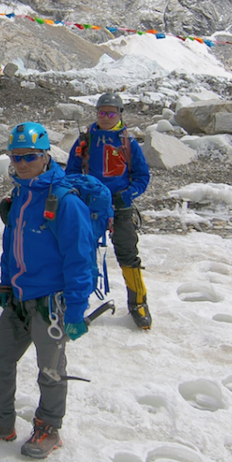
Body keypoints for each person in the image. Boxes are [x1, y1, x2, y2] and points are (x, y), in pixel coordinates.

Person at [0, 123, 95, 460]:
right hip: (19, 298)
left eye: (29, 157)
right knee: (0, 356)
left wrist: (76, 311)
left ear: (45, 156)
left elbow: (81, 260)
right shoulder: (20, 195)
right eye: (16, 157)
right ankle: (1, 420)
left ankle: (49, 428)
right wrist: (6, 284)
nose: (21, 163)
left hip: (50, 303)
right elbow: (10, 246)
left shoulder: (64, 202)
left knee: (50, 370)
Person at [65, 92, 153, 329]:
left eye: (111, 113)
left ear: (120, 115)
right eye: (102, 112)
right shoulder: (85, 141)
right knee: (80, 253)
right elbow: (71, 172)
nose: (105, 117)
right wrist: (80, 191)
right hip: (90, 206)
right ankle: (73, 303)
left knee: (128, 254)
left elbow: (142, 176)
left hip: (120, 206)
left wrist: (128, 194)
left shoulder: (128, 143)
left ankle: (138, 303)